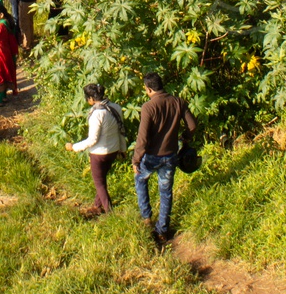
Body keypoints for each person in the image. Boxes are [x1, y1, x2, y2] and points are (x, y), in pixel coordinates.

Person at [132, 71, 197, 245]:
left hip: (151, 156)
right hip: (170, 156)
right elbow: (192, 125)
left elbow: (143, 137)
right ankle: (162, 230)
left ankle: (146, 217)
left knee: (140, 179)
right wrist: (186, 138)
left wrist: (136, 159)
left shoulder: (148, 107)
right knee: (166, 191)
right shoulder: (178, 102)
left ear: (149, 89)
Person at [66, 83, 126, 216]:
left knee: (99, 184)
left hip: (99, 154)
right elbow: (121, 130)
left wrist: (74, 147)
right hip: (113, 150)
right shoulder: (115, 107)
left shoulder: (97, 114)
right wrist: (123, 149)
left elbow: (92, 139)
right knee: (102, 178)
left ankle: (110, 213)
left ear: (91, 99)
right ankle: (97, 206)